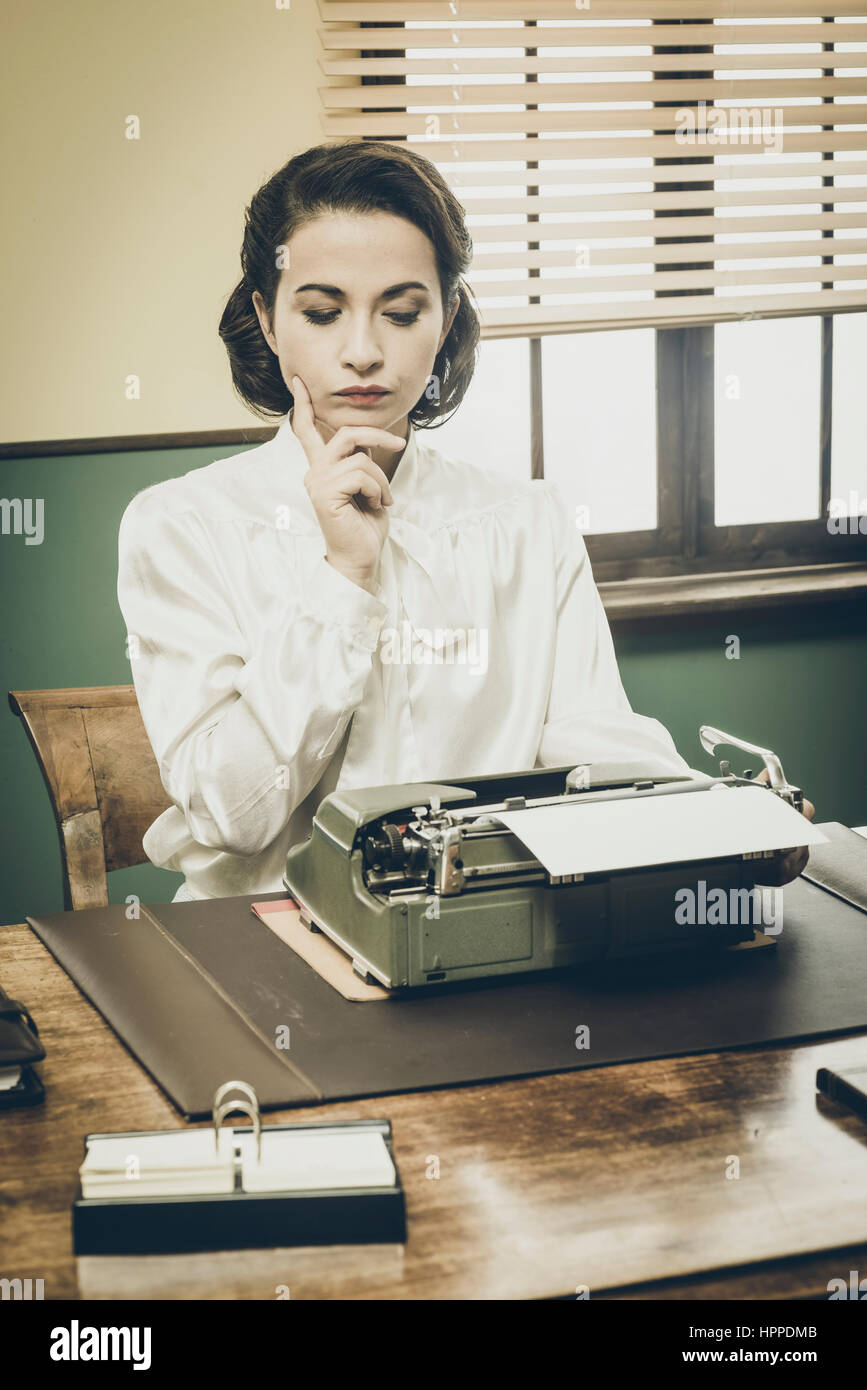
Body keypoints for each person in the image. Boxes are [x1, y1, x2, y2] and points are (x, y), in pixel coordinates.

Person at [117, 139, 813, 902]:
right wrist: (343, 578)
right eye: (321, 312)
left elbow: (596, 747)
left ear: (445, 319)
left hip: (489, 937)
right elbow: (231, 816)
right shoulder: (184, 525)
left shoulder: (525, 521)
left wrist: (720, 822)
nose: (362, 352)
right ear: (267, 318)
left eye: (402, 311)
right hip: (261, 953)